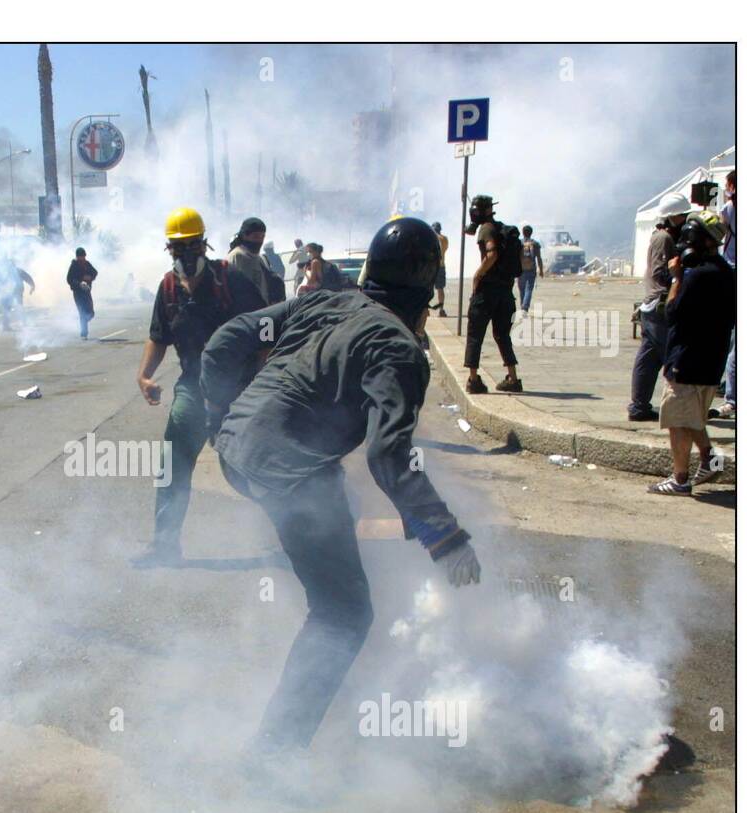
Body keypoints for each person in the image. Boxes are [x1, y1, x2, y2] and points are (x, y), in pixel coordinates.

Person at [202, 217, 479, 758]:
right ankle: (273, 755)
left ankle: (325, 660)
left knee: (335, 503)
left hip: (235, 451)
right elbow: (388, 458)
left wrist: (223, 418)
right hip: (289, 474)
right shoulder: (399, 349)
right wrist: (444, 538)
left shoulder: (320, 302)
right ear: (427, 295)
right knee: (344, 612)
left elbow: (223, 343)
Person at [132, 206, 267, 566]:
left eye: (192, 247)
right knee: (173, 463)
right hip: (193, 388)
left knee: (248, 468)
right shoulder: (168, 288)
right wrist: (145, 375)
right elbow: (157, 337)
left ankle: (297, 529)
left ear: (204, 246)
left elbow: (267, 330)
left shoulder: (231, 282)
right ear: (169, 251)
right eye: (178, 249)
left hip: (239, 389)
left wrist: (263, 378)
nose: (186, 255)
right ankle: (164, 546)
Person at [648, 210, 735, 494]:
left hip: (686, 360)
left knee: (677, 421)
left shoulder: (695, 276)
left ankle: (680, 479)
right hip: (712, 361)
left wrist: (676, 279)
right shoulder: (727, 273)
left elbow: (672, 312)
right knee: (693, 416)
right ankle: (712, 460)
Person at [628, 192, 690, 421]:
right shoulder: (664, 239)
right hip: (661, 306)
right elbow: (660, 273)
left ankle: (639, 406)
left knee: (648, 358)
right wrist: (678, 273)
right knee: (673, 357)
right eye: (682, 215)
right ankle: (682, 409)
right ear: (673, 217)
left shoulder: (659, 236)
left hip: (653, 306)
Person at [463, 194, 522, 393]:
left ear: (486, 210)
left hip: (487, 292)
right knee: (502, 335)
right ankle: (513, 379)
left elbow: (492, 254)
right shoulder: (501, 229)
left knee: (475, 335)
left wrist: (477, 275)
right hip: (505, 292)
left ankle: (474, 380)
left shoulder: (486, 229)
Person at [713, 170, 736, 419]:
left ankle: (730, 397)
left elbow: (718, 234)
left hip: (731, 269)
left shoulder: (729, 207)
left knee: (729, 337)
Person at [227, 216, 284, 304]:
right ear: (245, 236)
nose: (259, 240)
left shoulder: (260, 258)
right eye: (255, 236)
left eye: (262, 237)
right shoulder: (238, 256)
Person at [66, 247, 98, 339]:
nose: (82, 258)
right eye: (80, 256)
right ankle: (84, 333)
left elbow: (95, 272)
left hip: (87, 291)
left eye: (83, 256)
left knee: (91, 313)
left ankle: (85, 320)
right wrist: (79, 283)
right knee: (82, 312)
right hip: (78, 293)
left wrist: (89, 277)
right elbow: (69, 279)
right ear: (77, 257)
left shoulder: (87, 264)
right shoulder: (74, 266)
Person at [517, 225, 543, 314]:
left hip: (520, 270)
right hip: (531, 270)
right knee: (529, 289)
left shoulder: (519, 243)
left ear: (523, 232)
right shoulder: (535, 244)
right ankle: (525, 307)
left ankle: (522, 307)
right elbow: (539, 258)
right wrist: (541, 270)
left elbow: (515, 257)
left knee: (522, 289)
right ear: (531, 233)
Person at [430, 222, 448, 317]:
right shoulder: (445, 239)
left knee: (428, 287)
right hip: (441, 266)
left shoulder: (432, 238)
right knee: (440, 289)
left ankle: (426, 310)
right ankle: (441, 309)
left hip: (432, 265)